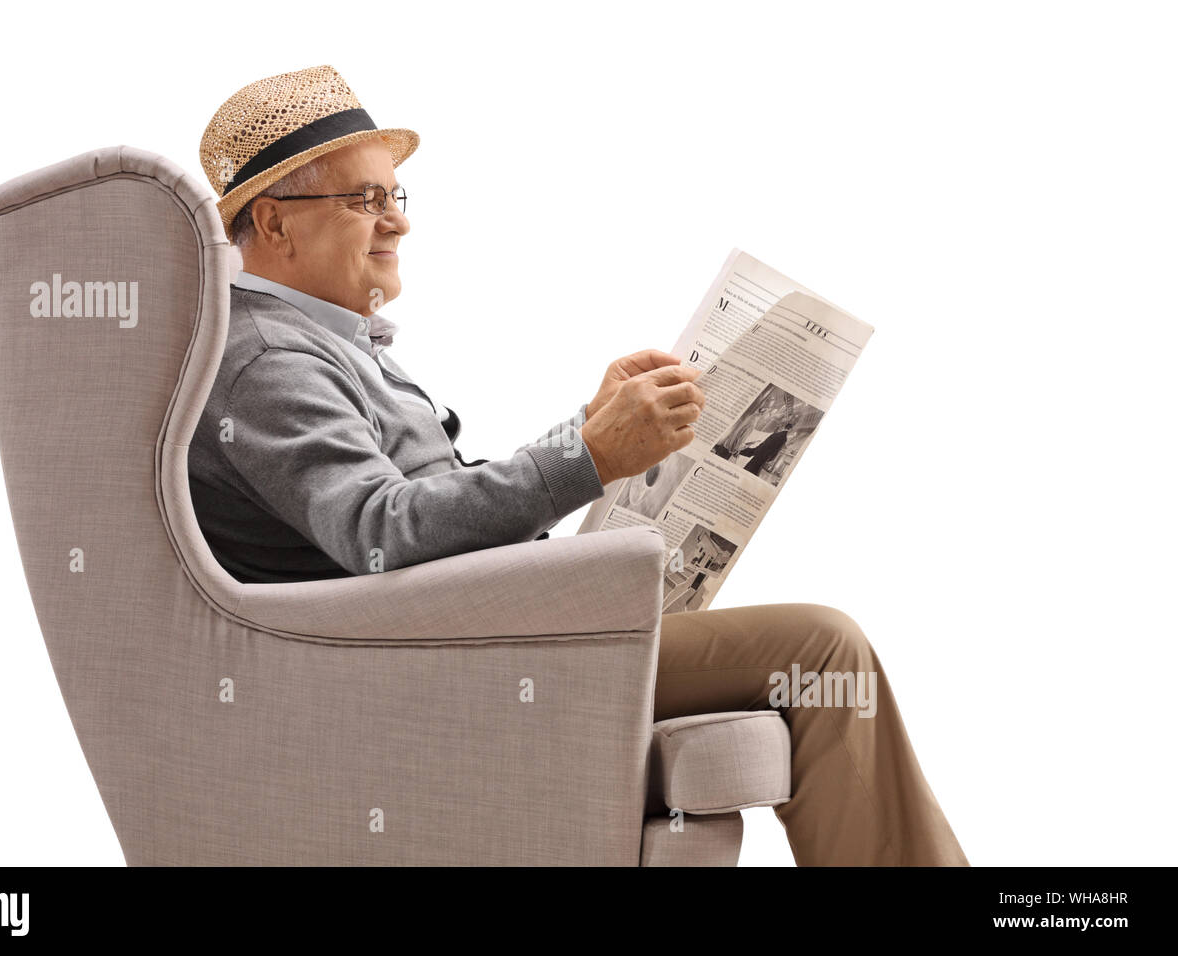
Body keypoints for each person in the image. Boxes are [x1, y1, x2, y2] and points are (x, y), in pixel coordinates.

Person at [189, 66, 967, 865]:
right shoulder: (267, 360)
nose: (397, 223)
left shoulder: (312, 343)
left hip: (474, 639)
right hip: (435, 671)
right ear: (275, 223)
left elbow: (418, 504)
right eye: (365, 200)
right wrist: (587, 455)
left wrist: (588, 432)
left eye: (397, 196)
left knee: (816, 652)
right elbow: (376, 529)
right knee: (820, 651)